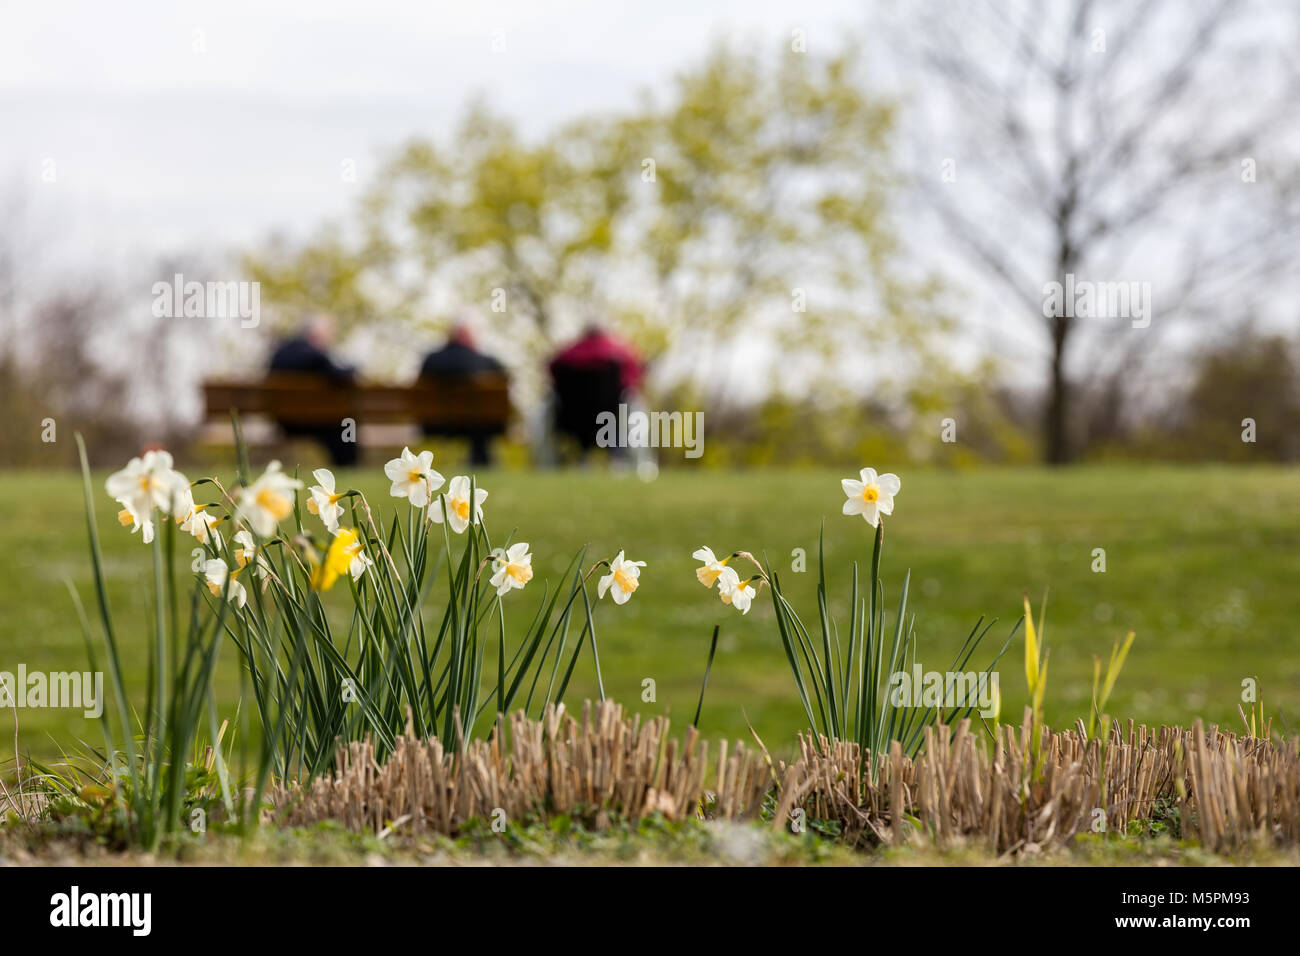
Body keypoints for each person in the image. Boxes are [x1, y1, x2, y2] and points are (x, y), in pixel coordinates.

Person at [267, 313, 359, 466]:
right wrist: (353, 369)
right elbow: (341, 377)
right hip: (313, 422)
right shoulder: (316, 357)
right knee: (347, 425)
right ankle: (347, 466)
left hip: (284, 421)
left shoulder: (280, 353)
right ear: (315, 334)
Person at [548, 323, 645, 462]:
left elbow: (551, 374)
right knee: (634, 404)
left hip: (573, 419)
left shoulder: (566, 356)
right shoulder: (620, 353)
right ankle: (633, 461)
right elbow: (634, 379)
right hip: (612, 418)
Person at [418, 322, 506, 466]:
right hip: (478, 426)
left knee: (477, 421)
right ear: (468, 337)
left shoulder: (432, 360)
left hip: (436, 424)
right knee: (480, 423)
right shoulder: (486, 362)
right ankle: (481, 464)